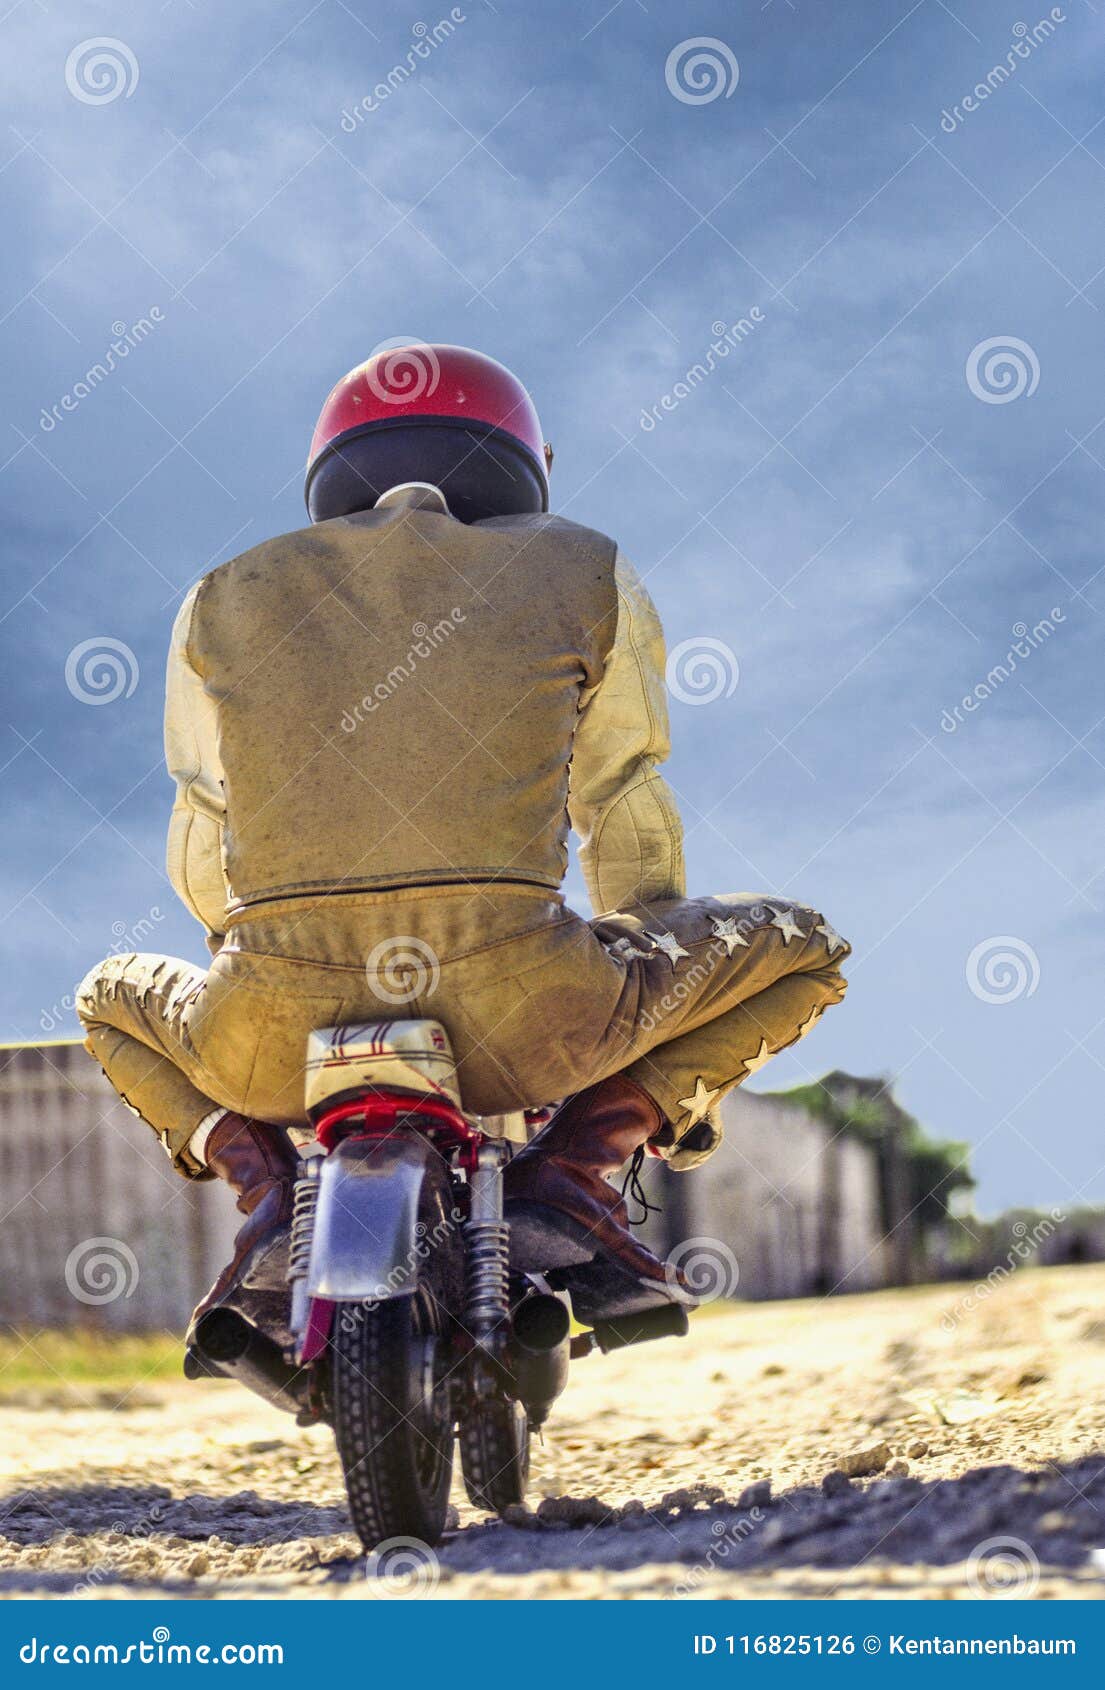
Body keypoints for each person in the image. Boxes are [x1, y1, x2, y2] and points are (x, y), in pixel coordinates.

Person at [76, 342, 849, 1332]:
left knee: (106, 999)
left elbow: (203, 822)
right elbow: (620, 799)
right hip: (530, 1016)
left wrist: (264, 958)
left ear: (329, 472)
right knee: (810, 951)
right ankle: (577, 1171)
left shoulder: (221, 593)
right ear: (521, 463)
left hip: (267, 1031)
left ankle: (264, 1190)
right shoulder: (583, 565)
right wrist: (637, 997)